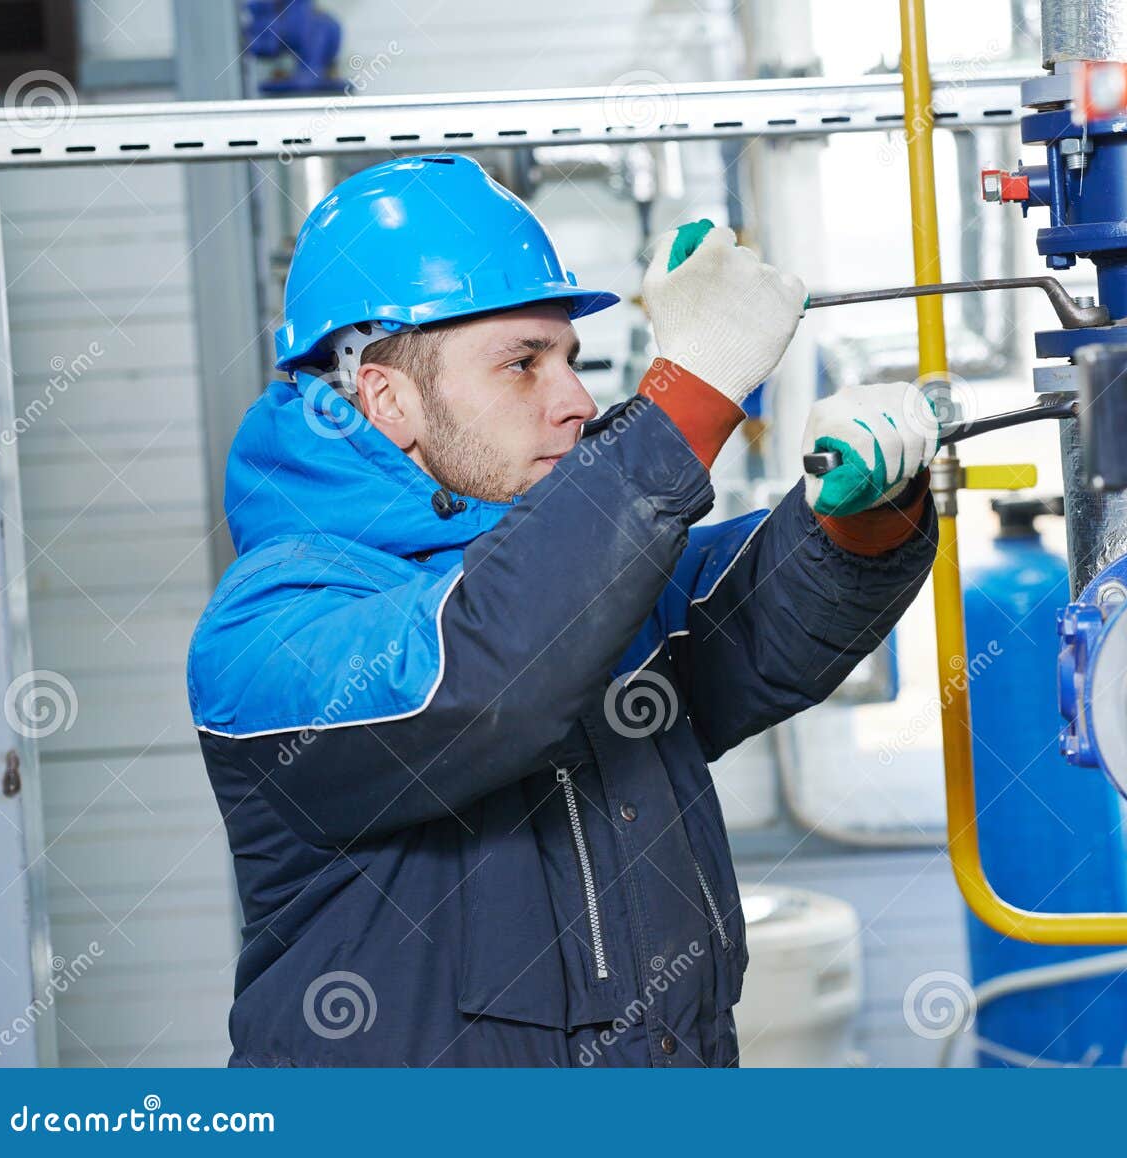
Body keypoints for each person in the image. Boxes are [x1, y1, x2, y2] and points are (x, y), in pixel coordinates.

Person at [186, 154, 941, 1066]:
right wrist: (688, 398)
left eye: (572, 361)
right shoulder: (272, 623)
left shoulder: (579, 576)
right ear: (385, 400)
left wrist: (859, 514)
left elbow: (738, 619)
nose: (578, 402)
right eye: (522, 364)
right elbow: (481, 674)